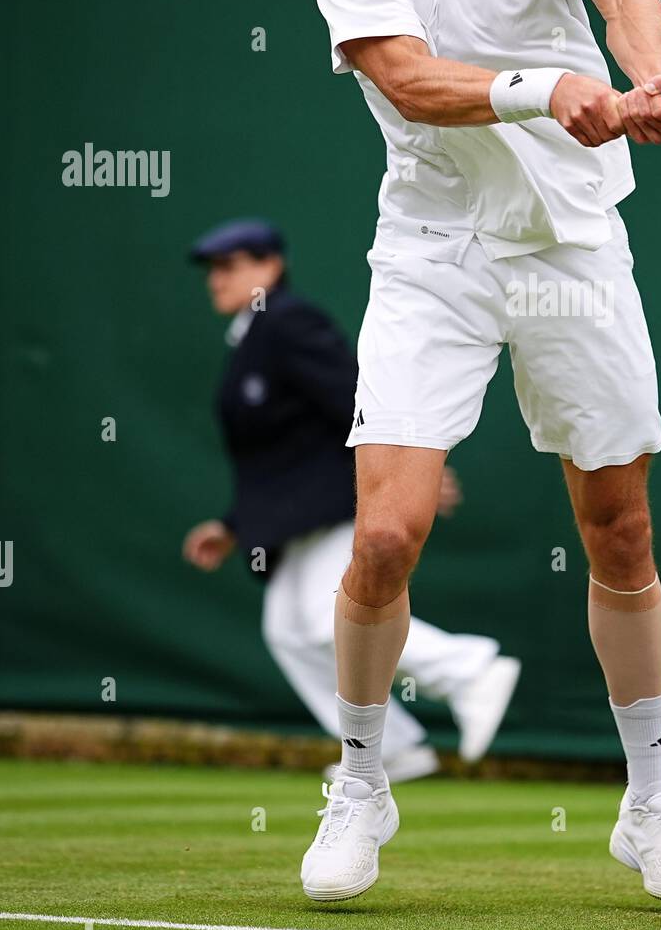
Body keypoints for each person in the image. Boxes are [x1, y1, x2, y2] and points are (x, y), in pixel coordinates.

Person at [300, 0, 661, 905]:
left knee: (620, 530)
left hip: (572, 244)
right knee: (384, 534)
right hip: (433, 252)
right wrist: (553, 89)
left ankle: (650, 806)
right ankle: (361, 782)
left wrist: (645, 70)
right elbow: (408, 79)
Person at [182, 217, 521, 781]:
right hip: (295, 515)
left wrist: (410, 469)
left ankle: (470, 671)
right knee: (288, 631)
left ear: (270, 267)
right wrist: (233, 524)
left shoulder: (289, 322)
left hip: (341, 501)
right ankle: (395, 749)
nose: (216, 279)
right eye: (212, 270)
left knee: (322, 618)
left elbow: (352, 394)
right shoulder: (250, 338)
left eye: (230, 266)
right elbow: (274, 459)